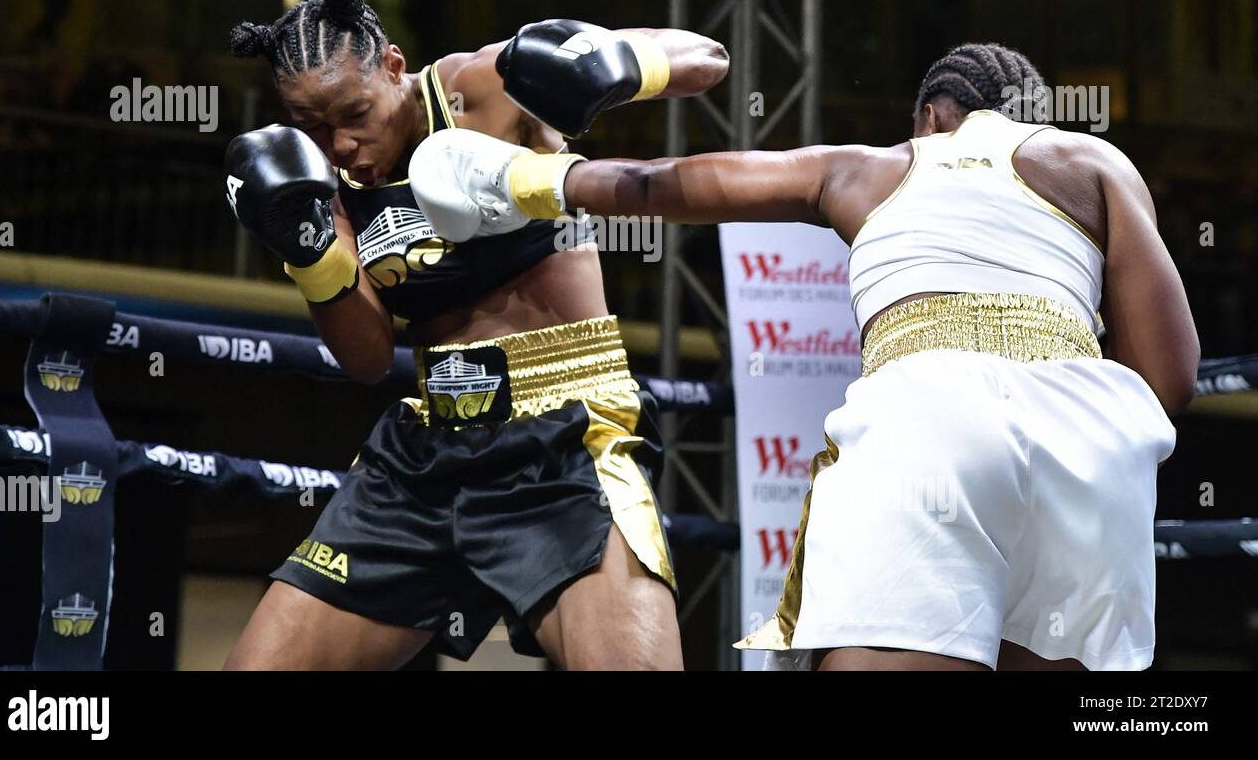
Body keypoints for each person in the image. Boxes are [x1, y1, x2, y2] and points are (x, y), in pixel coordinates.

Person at [409, 42, 1199, 671]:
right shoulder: (1097, 165)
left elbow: (664, 187)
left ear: (929, 117)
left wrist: (532, 180)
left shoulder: (870, 167)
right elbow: (1169, 380)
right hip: (1094, 450)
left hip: (931, 428)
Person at [220, 0, 729, 670]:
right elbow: (368, 358)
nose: (336, 144)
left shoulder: (483, 86)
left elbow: (708, 56)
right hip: (427, 449)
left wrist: (610, 66)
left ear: (394, 66)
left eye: (353, 112)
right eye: (312, 126)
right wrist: (310, 256)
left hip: (561, 437)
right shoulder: (322, 185)